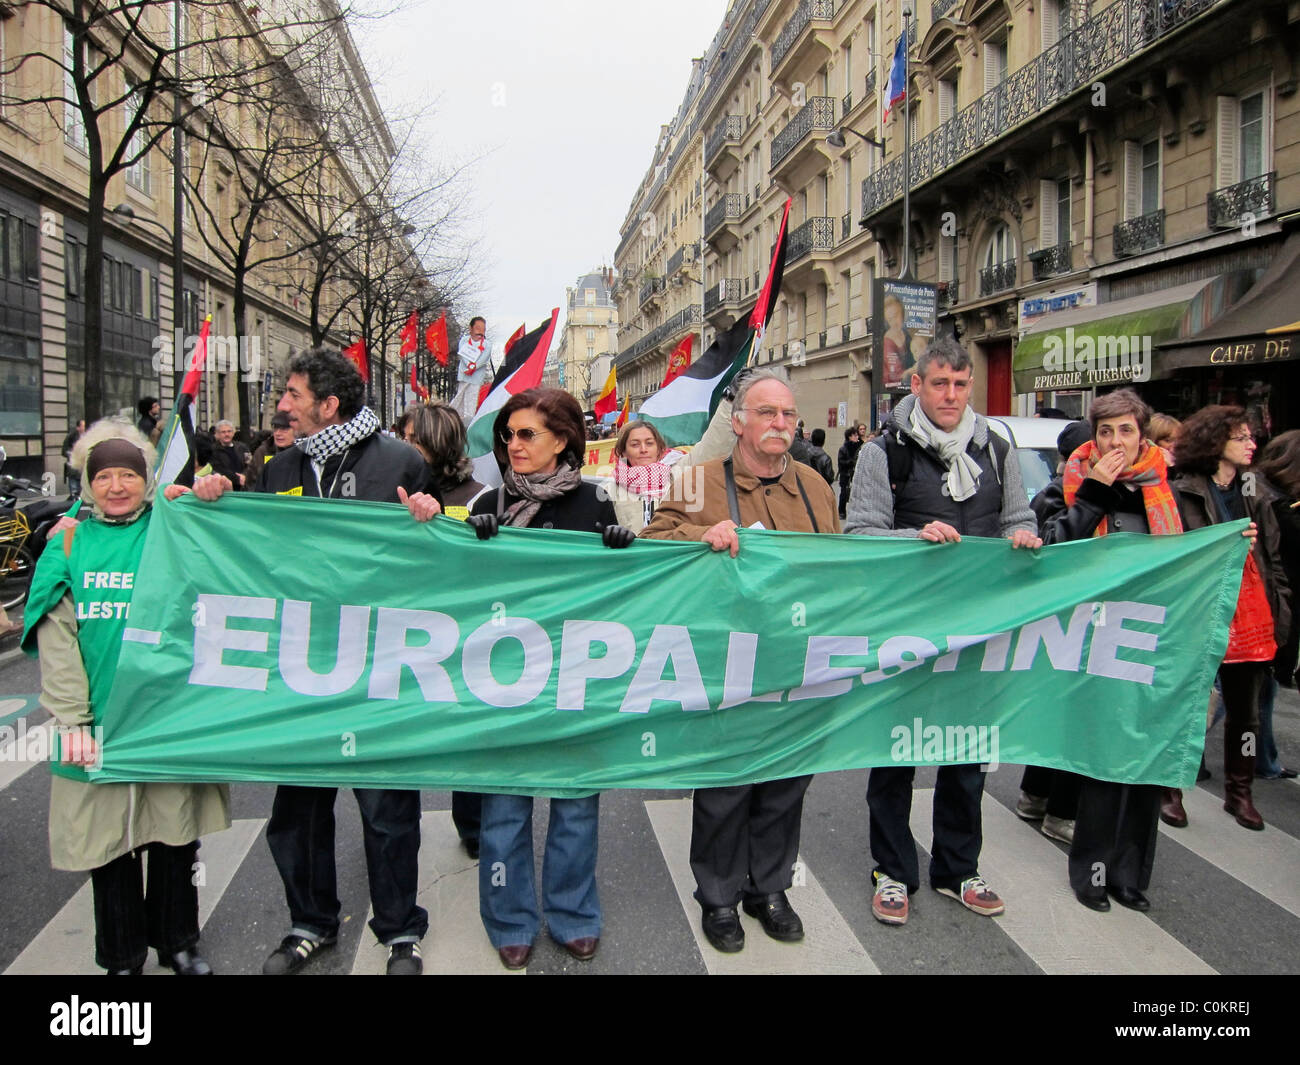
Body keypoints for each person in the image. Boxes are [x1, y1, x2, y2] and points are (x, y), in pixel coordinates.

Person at [186, 348, 434, 975]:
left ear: (328, 404)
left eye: (293, 395)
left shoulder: (401, 461)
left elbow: (439, 560)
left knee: (386, 810)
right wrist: (213, 498)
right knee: (296, 811)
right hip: (300, 668)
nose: (282, 406)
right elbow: (253, 548)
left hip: (378, 664)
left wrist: (432, 519)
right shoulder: (277, 467)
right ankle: (311, 921)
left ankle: (400, 930)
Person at [403, 387, 633, 971]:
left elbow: (621, 596)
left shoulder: (595, 502)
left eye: (526, 434)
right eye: (508, 435)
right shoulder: (489, 499)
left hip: (576, 678)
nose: (512, 444)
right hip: (503, 679)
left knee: (575, 801)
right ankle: (509, 920)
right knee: (503, 806)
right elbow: (452, 585)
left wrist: (621, 552)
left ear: (562, 439)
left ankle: (574, 914)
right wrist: (453, 536)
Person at [641, 368, 840, 954]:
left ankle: (770, 888)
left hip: (798, 657)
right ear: (739, 423)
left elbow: (844, 558)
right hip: (725, 658)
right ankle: (720, 896)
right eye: (766, 413)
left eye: (787, 414)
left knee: (785, 780)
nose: (780, 424)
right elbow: (652, 546)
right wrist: (700, 539)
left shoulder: (815, 485)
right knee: (727, 781)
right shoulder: (698, 480)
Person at [22, 419, 230, 974]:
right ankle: (121, 955)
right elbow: (57, 638)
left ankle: (179, 941)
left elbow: (228, 537)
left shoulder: (172, 524)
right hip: (94, 718)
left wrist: (215, 490)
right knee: (107, 848)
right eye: (104, 476)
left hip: (166, 714)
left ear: (146, 478)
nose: (117, 487)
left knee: (174, 837)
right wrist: (74, 722)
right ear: (88, 483)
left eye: (129, 475)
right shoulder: (67, 542)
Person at [844, 335, 1039, 926]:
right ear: (917, 386)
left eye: (960, 385)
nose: (951, 395)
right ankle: (893, 872)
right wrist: (916, 537)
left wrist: (1024, 539)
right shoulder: (884, 454)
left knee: (967, 753)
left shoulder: (997, 448)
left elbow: (1019, 517)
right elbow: (860, 537)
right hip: (909, 627)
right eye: (939, 384)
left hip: (978, 627)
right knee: (896, 751)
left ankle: (958, 868)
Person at [1035, 390, 1182, 911]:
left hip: (1155, 637)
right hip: (1095, 637)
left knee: (1144, 757)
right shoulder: (1068, 486)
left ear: (1142, 434)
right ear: (1092, 437)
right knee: (1103, 757)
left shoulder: (1168, 489)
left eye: (1125, 431)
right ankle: (1092, 873)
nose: (1115, 442)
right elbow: (1052, 551)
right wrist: (1093, 495)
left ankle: (1129, 876)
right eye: (1105, 432)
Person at [1168, 406, 1291, 831]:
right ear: (1215, 442)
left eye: (1250, 437)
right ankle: (1171, 789)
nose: (1251, 444)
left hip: (1252, 612)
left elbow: (1272, 560)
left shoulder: (1255, 490)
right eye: (1241, 437)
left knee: (1247, 714)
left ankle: (1240, 793)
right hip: (1202, 610)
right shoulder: (1183, 489)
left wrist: (1281, 613)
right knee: (1189, 704)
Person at [401, 399, 490, 858]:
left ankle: (471, 824)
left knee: (465, 734)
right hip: (405, 632)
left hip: (461, 637)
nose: (405, 446)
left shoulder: (477, 497)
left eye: (413, 439)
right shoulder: (391, 492)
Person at [1255, 430, 1300, 779]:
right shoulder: (1275, 501)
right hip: (1265, 601)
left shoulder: (1265, 491)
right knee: (1236, 693)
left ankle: (1262, 759)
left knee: (1261, 689)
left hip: (1273, 599)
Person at [452, 316, 491, 422]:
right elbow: (463, 355)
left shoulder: (487, 344)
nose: (480, 331)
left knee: (471, 401)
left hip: (476, 377)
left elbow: (484, 358)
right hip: (464, 374)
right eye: (478, 328)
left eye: (483, 328)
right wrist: (469, 365)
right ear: (471, 328)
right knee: (460, 396)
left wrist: (475, 366)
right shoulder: (464, 340)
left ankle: (468, 420)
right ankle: (453, 416)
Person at [248, 412, 295, 490]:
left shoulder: (304, 452)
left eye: (284, 429)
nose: (277, 433)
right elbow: (251, 484)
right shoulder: (262, 452)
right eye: (275, 429)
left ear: (296, 430)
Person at [207, 420, 249, 490]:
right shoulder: (213, 450)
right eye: (223, 432)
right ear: (217, 434)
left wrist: (245, 476)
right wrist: (237, 478)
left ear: (233, 433)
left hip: (244, 487)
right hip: (225, 488)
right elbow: (218, 469)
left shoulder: (243, 447)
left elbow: (250, 464)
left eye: (229, 431)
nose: (227, 434)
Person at [880, 295, 910, 387]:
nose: (894, 322)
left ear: (902, 314)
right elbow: (897, 374)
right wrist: (913, 369)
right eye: (890, 319)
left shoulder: (907, 334)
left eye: (896, 315)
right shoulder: (887, 342)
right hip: (892, 386)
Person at [62, 419, 86, 498]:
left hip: (83, 469)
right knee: (74, 491)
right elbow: (64, 451)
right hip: (73, 468)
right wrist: (74, 454)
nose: (85, 427)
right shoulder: (71, 436)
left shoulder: (88, 436)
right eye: (83, 426)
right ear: (78, 427)